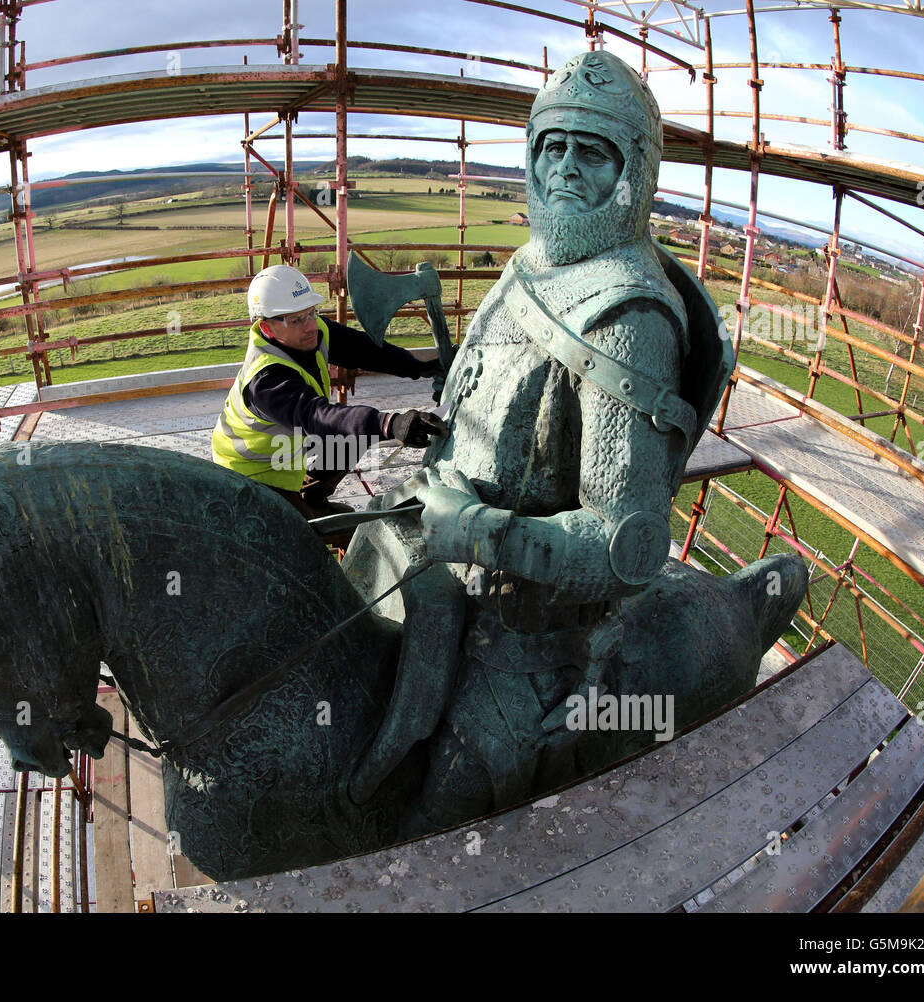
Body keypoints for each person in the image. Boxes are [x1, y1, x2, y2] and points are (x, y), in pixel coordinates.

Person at [350, 49, 734, 832]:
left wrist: (485, 533)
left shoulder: (628, 320)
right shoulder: (531, 260)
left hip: (527, 621)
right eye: (550, 146)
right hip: (423, 535)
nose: (563, 168)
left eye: (592, 152)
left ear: (634, 174)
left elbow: (627, 549)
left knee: (451, 793)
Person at [211, 263, 448, 524]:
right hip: (253, 473)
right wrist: (389, 423)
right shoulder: (266, 380)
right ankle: (308, 517)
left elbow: (364, 350)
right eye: (296, 320)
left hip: (287, 449)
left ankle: (312, 498)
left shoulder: (312, 331)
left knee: (353, 436)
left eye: (311, 313)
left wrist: (419, 366)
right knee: (309, 539)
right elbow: (318, 416)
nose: (310, 325)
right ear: (267, 328)